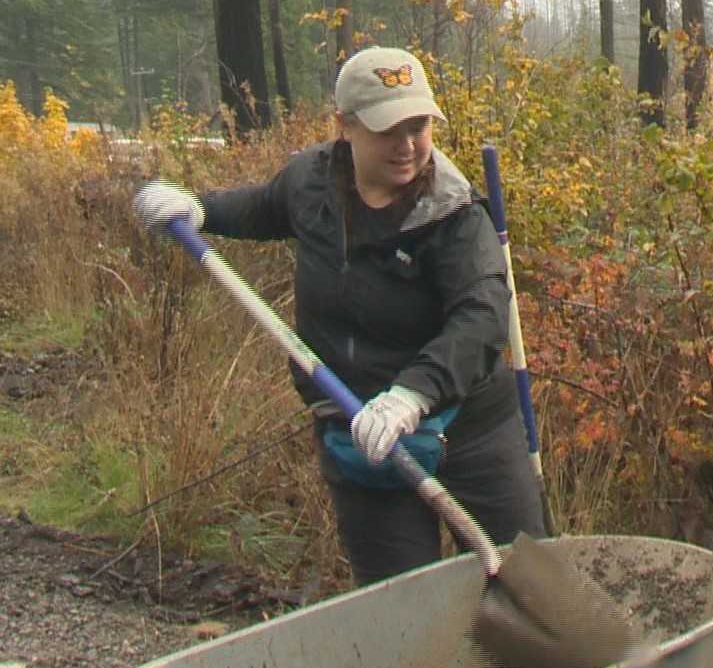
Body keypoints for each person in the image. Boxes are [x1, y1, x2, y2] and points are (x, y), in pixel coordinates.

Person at [132, 45, 546, 586]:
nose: (408, 144)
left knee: (531, 581)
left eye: (419, 125)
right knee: (399, 603)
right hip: (359, 427)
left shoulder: (452, 213)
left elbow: (481, 317)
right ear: (346, 127)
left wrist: (411, 396)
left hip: (468, 427)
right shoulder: (313, 182)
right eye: (387, 128)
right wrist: (200, 209)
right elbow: (265, 207)